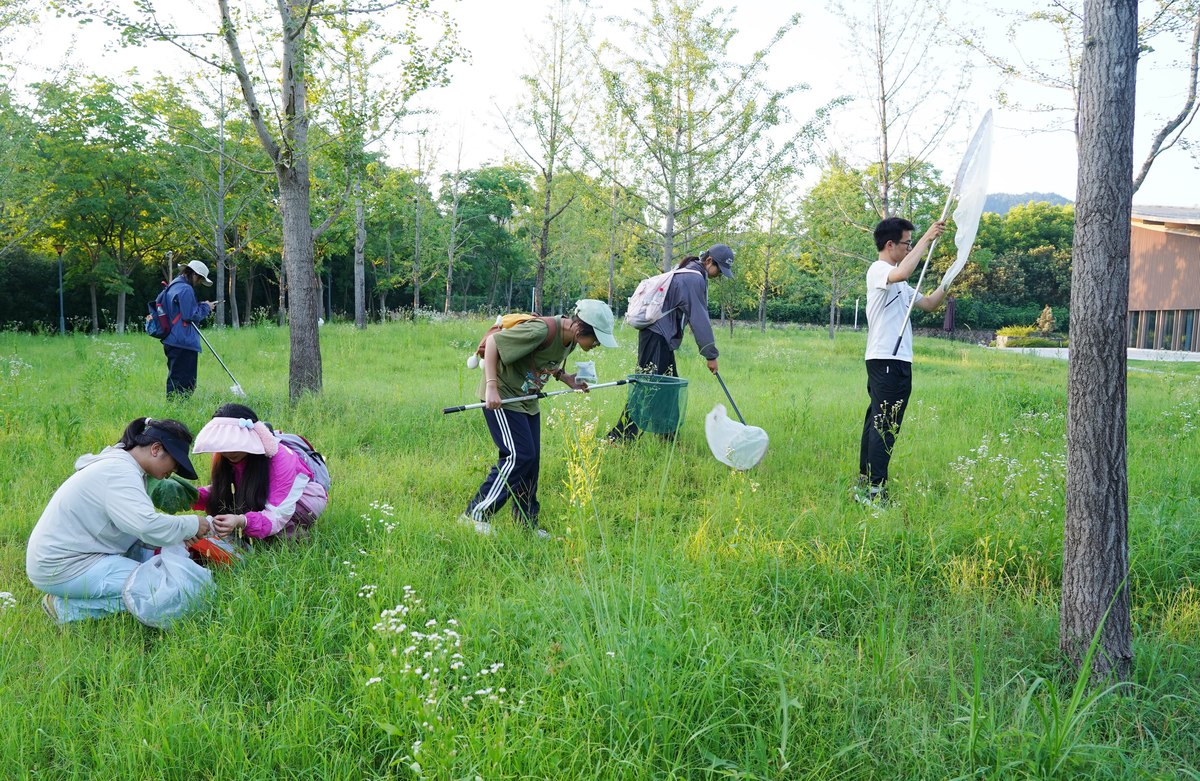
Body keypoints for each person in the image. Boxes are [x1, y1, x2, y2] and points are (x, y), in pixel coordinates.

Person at [26, 417, 210, 624]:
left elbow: (135, 526)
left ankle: (76, 597)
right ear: (156, 449)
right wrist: (192, 524)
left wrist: (179, 535)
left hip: (66, 560)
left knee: (159, 580)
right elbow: (145, 525)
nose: (171, 474)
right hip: (65, 567)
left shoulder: (122, 466)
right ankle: (66, 608)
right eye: (174, 464)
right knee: (162, 590)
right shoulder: (119, 472)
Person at [463, 299, 618, 537]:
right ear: (581, 328)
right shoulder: (541, 330)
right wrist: (491, 387)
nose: (596, 345)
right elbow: (494, 343)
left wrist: (565, 377)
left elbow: (544, 359)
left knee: (531, 460)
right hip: (503, 396)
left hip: (527, 399)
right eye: (596, 339)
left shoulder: (571, 340)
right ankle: (475, 514)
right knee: (518, 456)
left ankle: (526, 522)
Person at [856, 216, 948, 505]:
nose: (909, 248)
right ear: (890, 244)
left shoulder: (901, 284)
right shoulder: (879, 270)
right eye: (907, 243)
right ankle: (874, 492)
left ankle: (865, 483)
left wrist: (949, 278)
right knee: (885, 426)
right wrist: (927, 238)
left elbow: (930, 304)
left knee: (876, 422)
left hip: (894, 359)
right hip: (886, 358)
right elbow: (904, 272)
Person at [605, 243, 734, 442]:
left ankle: (668, 436)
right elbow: (699, 319)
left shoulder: (688, 272)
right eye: (720, 269)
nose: (719, 275)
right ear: (709, 261)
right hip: (656, 336)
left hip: (660, 336)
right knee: (647, 387)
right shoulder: (694, 278)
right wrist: (711, 355)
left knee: (669, 387)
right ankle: (620, 437)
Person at [191, 403, 329, 543]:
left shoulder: (281, 458)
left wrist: (242, 521)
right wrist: (190, 495)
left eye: (237, 442)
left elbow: (278, 513)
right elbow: (221, 490)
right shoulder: (221, 455)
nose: (229, 452)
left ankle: (294, 535)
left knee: (274, 538)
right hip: (260, 494)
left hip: (300, 500)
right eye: (225, 445)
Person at [161, 259, 214, 399]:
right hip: (183, 341)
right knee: (186, 381)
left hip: (172, 338)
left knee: (176, 377)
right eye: (200, 279)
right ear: (194, 274)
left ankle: (174, 406)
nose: (199, 283)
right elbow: (190, 315)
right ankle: (177, 407)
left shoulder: (174, 285)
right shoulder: (186, 289)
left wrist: (200, 305)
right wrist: (206, 307)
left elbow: (182, 310)